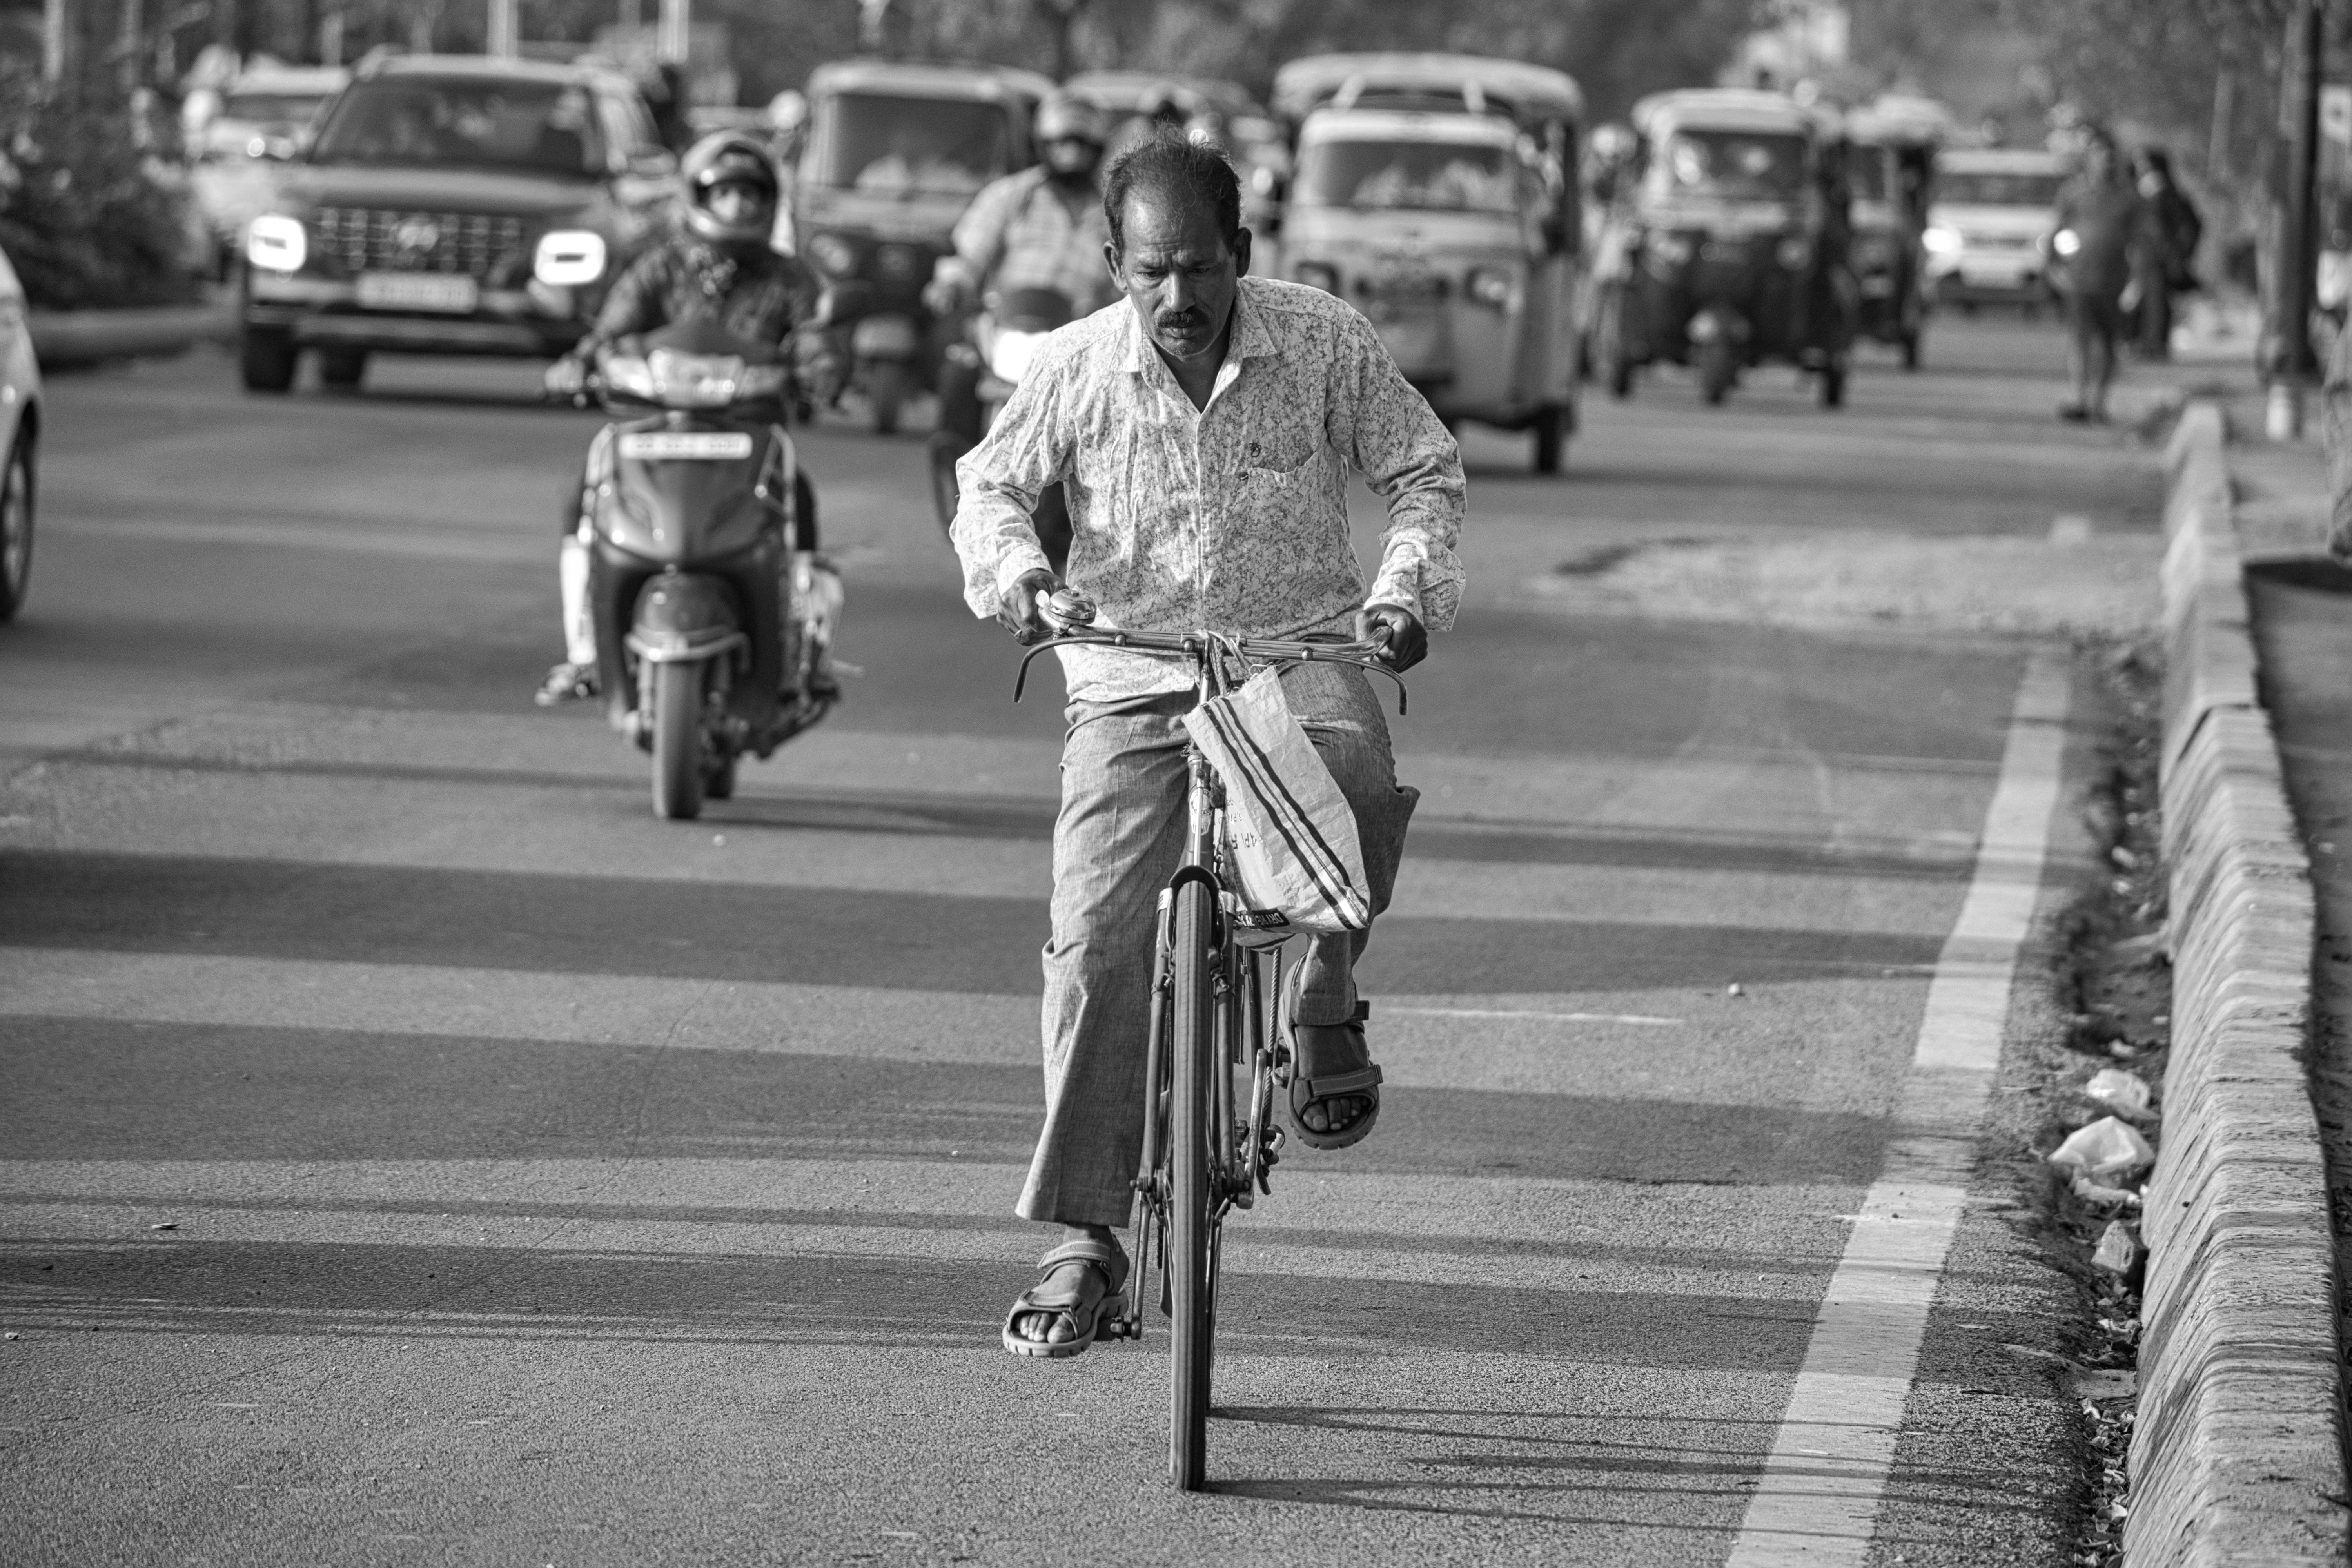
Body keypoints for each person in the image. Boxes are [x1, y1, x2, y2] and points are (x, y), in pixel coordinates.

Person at [949, 129, 1464, 1357]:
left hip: (1296, 654)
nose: (1177, 295)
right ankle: (1085, 1237)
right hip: (1128, 670)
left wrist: (1399, 598)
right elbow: (989, 488)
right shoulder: (1075, 366)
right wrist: (1021, 580)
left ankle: (1325, 985)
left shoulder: (1323, 340)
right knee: (1091, 945)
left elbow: (1425, 472)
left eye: (1200, 266)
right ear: (1115, 265)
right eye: (1149, 270)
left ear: (1240, 253)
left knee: (1353, 779)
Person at [535, 132, 843, 707]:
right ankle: (584, 655)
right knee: (582, 492)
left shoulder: (790, 278)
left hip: (746, 435)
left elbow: (813, 338)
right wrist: (577, 364)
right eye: (725, 193)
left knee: (797, 496)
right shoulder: (660, 267)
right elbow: (611, 332)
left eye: (752, 195)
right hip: (657, 431)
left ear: (770, 202)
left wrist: (821, 368)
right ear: (697, 197)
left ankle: (806, 645)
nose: (739, 206)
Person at [925, 90, 1118, 570]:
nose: (1070, 154)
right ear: (1042, 145)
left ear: (1096, 150)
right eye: (1061, 144)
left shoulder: (1115, 209)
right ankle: (963, 491)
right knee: (956, 376)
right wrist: (951, 286)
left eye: (1080, 145)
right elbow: (967, 259)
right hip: (1006, 333)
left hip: (1081, 344)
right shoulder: (1010, 197)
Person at [2051, 129, 2145, 423]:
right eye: (2099, 154)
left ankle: (2098, 403)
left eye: (2110, 156)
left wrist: (2137, 282)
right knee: (2080, 341)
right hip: (2079, 281)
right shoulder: (2073, 194)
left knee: (2107, 344)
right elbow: (2057, 234)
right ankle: (2079, 399)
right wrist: (2055, 269)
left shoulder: (2129, 199)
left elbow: (2140, 244)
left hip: (2114, 283)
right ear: (2089, 159)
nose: (2105, 161)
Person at [2131, 147, 2203, 359]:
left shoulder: (2163, 193)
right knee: (2146, 299)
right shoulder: (2146, 191)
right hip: (2147, 255)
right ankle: (2146, 342)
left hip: (2158, 257)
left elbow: (2189, 226)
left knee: (2156, 301)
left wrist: (2178, 252)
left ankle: (2155, 345)